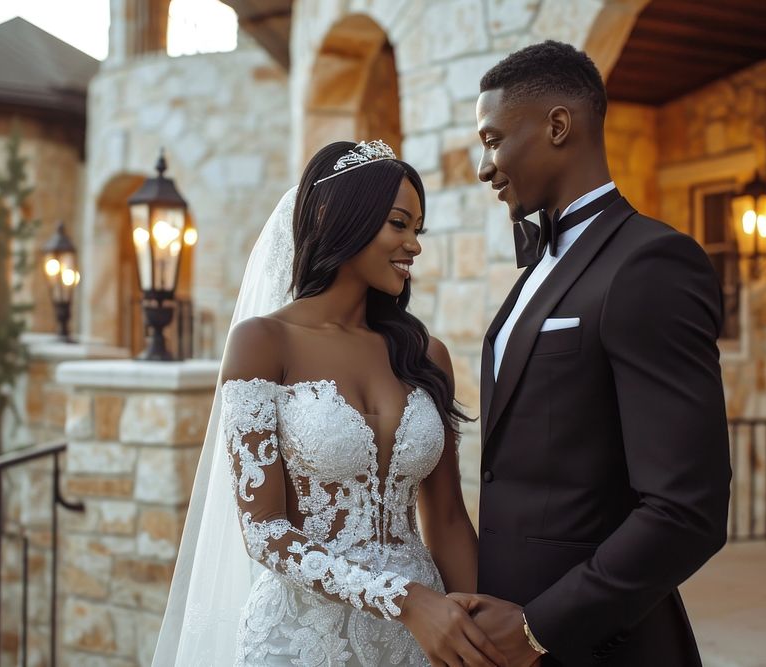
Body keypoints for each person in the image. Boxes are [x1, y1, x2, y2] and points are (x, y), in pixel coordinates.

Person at [152, 140, 507, 666]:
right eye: (398, 223)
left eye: (418, 229)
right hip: (302, 639)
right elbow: (265, 530)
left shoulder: (425, 354)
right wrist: (403, 600)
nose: (414, 245)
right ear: (342, 218)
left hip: (419, 642)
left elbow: (449, 519)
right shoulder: (263, 343)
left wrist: (483, 637)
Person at [449, 41, 733, 666]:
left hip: (601, 644)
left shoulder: (651, 263)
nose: (483, 165)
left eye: (493, 139)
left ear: (557, 125)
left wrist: (538, 629)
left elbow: (689, 509)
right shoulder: (536, 272)